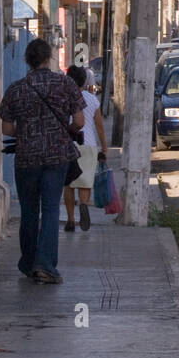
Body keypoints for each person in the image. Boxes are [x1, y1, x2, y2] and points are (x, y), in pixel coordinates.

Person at [0, 39, 83, 284]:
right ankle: (45, 265)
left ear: (27, 60)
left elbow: (6, 127)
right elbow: (79, 122)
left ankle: (28, 262)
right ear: (49, 58)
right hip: (57, 157)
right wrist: (61, 129)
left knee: (29, 211)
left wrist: (26, 132)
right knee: (52, 209)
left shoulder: (16, 88)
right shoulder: (65, 84)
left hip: (26, 157)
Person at [63, 66, 106, 233]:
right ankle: (83, 204)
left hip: (68, 145)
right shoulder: (93, 99)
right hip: (88, 144)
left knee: (68, 184)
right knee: (85, 182)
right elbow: (99, 126)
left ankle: (70, 219)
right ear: (84, 81)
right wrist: (103, 147)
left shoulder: (63, 98)